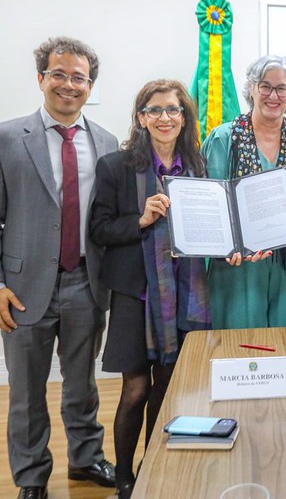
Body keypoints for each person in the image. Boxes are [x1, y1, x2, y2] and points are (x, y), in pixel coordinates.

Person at [0, 37, 117, 499]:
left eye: (79, 78)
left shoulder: (106, 142)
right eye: (59, 74)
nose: (69, 85)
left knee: (82, 384)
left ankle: (86, 459)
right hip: (23, 286)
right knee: (27, 393)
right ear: (41, 78)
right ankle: (31, 479)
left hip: (87, 283)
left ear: (91, 85)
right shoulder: (7, 138)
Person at [90, 79, 212, 498]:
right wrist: (141, 219)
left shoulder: (198, 168)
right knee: (136, 388)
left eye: (173, 110)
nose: (165, 118)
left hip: (186, 293)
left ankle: (152, 466)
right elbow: (99, 230)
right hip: (136, 298)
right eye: (155, 110)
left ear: (184, 118)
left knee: (168, 385)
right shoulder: (116, 167)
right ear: (141, 117)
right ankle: (124, 476)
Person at [203, 55, 286, 328]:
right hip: (240, 267)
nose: (274, 95)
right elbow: (214, 208)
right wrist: (227, 247)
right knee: (239, 351)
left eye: (282, 88)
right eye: (265, 86)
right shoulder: (223, 138)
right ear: (251, 88)